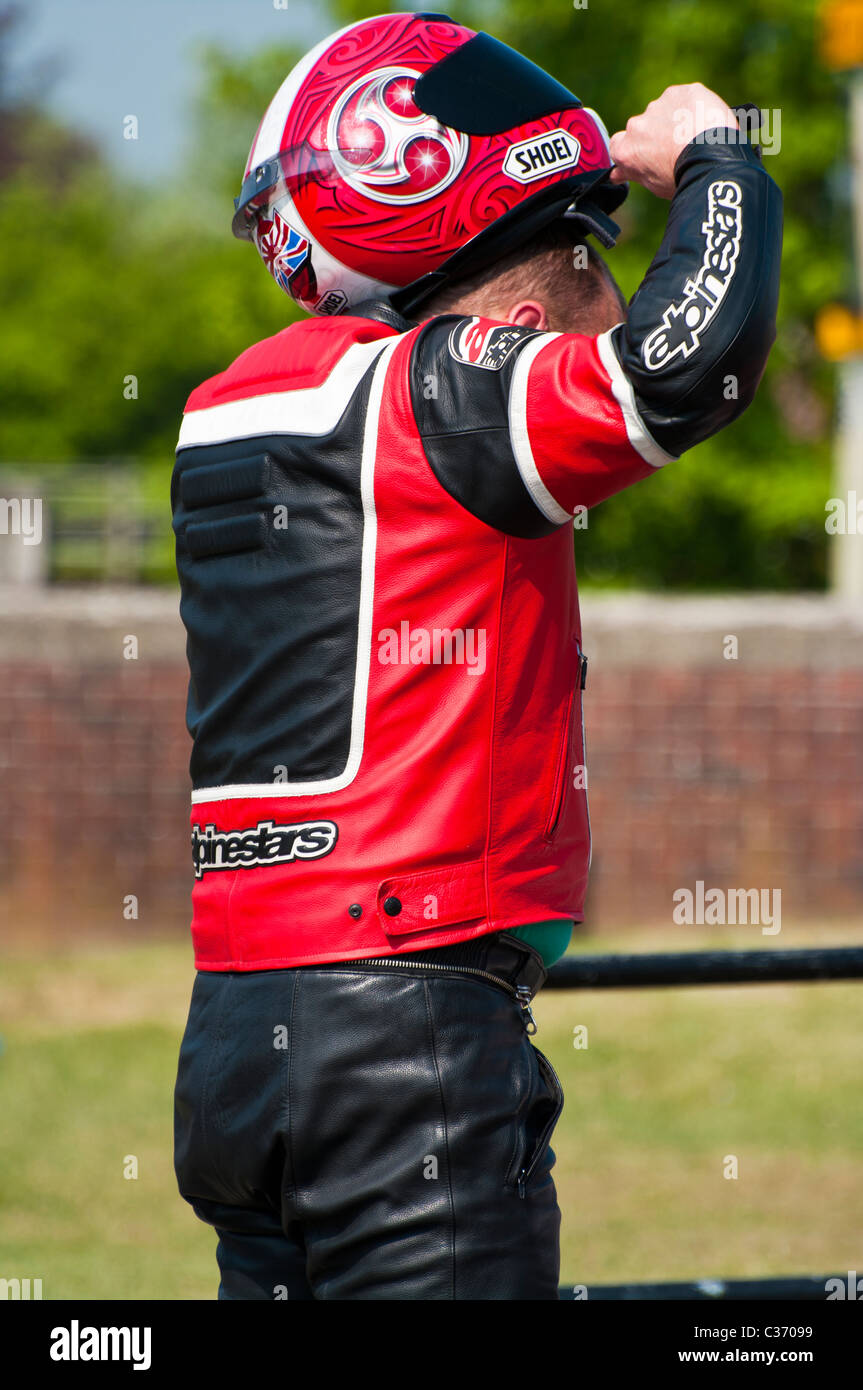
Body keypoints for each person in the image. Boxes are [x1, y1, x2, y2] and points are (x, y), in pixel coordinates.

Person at [172, 12, 782, 1300]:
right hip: (408, 1035)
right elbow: (683, 371)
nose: (607, 295)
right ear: (513, 268)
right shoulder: (434, 400)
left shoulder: (235, 408)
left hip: (236, 1037)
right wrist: (723, 162)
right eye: (590, 253)